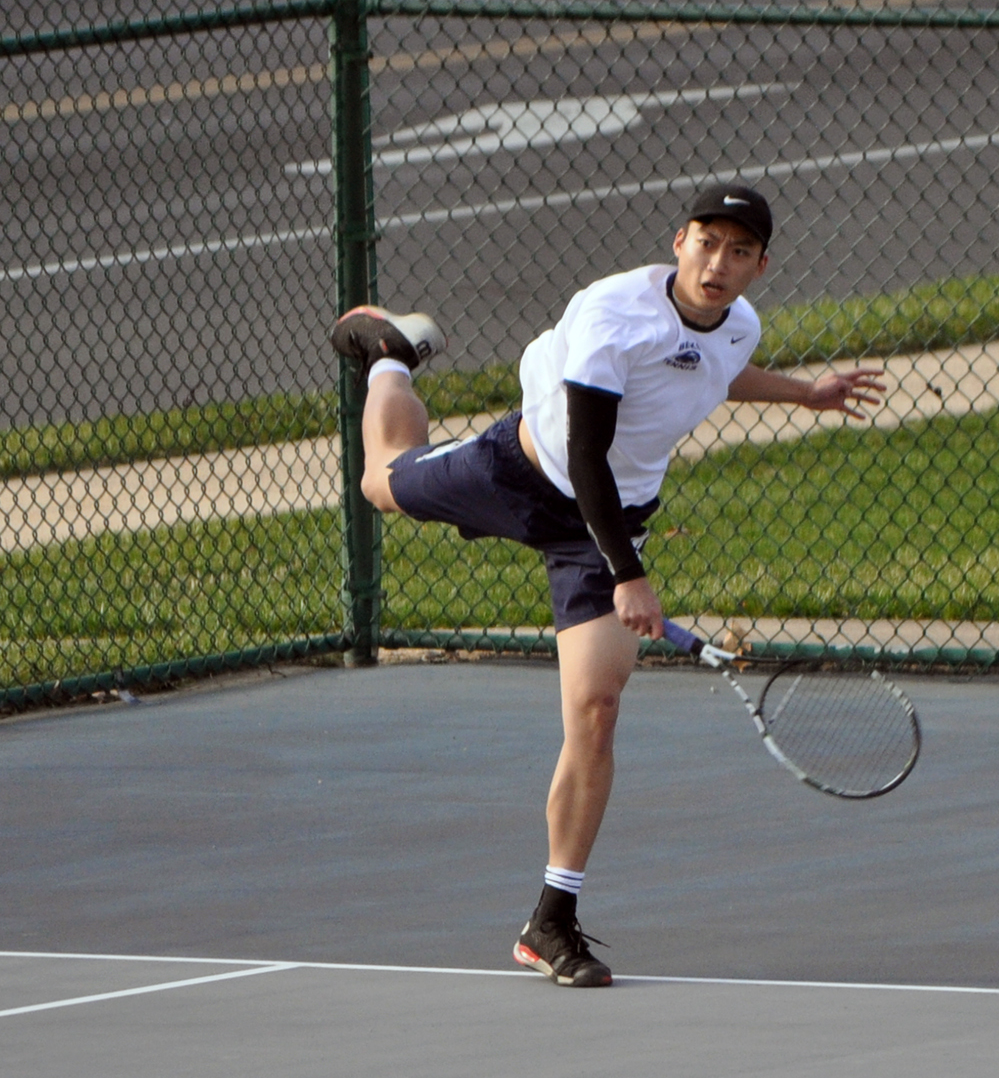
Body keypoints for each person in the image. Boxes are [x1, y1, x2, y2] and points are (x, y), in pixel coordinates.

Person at [329, 185, 886, 987]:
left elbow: (713, 370)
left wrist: (807, 392)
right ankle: (390, 355)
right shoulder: (613, 313)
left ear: (760, 265)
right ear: (679, 241)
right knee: (379, 483)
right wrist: (630, 575)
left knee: (596, 707)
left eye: (738, 251)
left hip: (612, 522)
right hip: (526, 473)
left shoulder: (738, 325)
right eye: (707, 242)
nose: (718, 263)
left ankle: (550, 919)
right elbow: (587, 454)